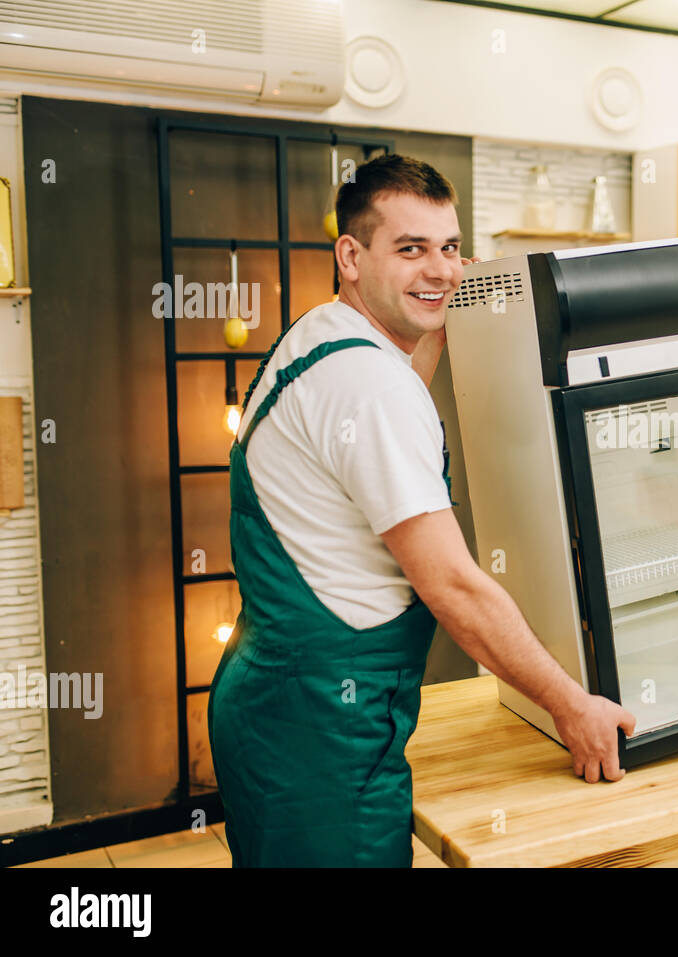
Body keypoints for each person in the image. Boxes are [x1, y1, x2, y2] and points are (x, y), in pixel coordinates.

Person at [209, 154, 634, 868]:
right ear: (351, 254)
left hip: (272, 699)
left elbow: (390, 403)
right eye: (410, 249)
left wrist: (435, 321)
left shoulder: (321, 334)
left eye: (448, 248)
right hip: (322, 731)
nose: (438, 269)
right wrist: (572, 704)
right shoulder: (372, 390)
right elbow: (454, 587)